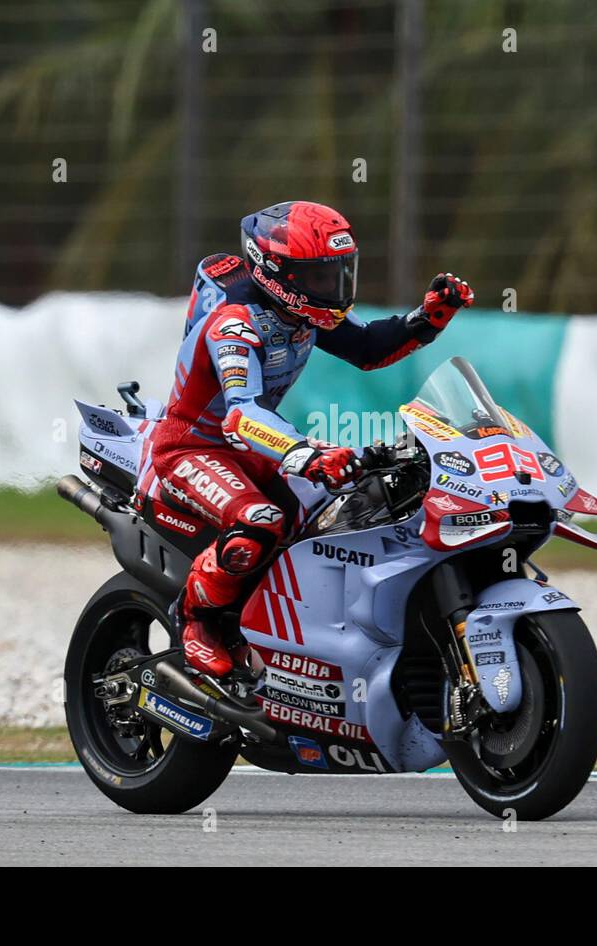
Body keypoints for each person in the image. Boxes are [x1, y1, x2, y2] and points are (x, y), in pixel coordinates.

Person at [143, 200, 473, 679]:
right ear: (278, 273)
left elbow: (368, 350)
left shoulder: (304, 315)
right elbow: (241, 416)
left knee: (342, 514)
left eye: (341, 272)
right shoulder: (234, 325)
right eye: (320, 276)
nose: (335, 287)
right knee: (262, 522)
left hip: (252, 451)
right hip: (193, 447)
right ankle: (198, 620)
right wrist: (307, 454)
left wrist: (428, 318)